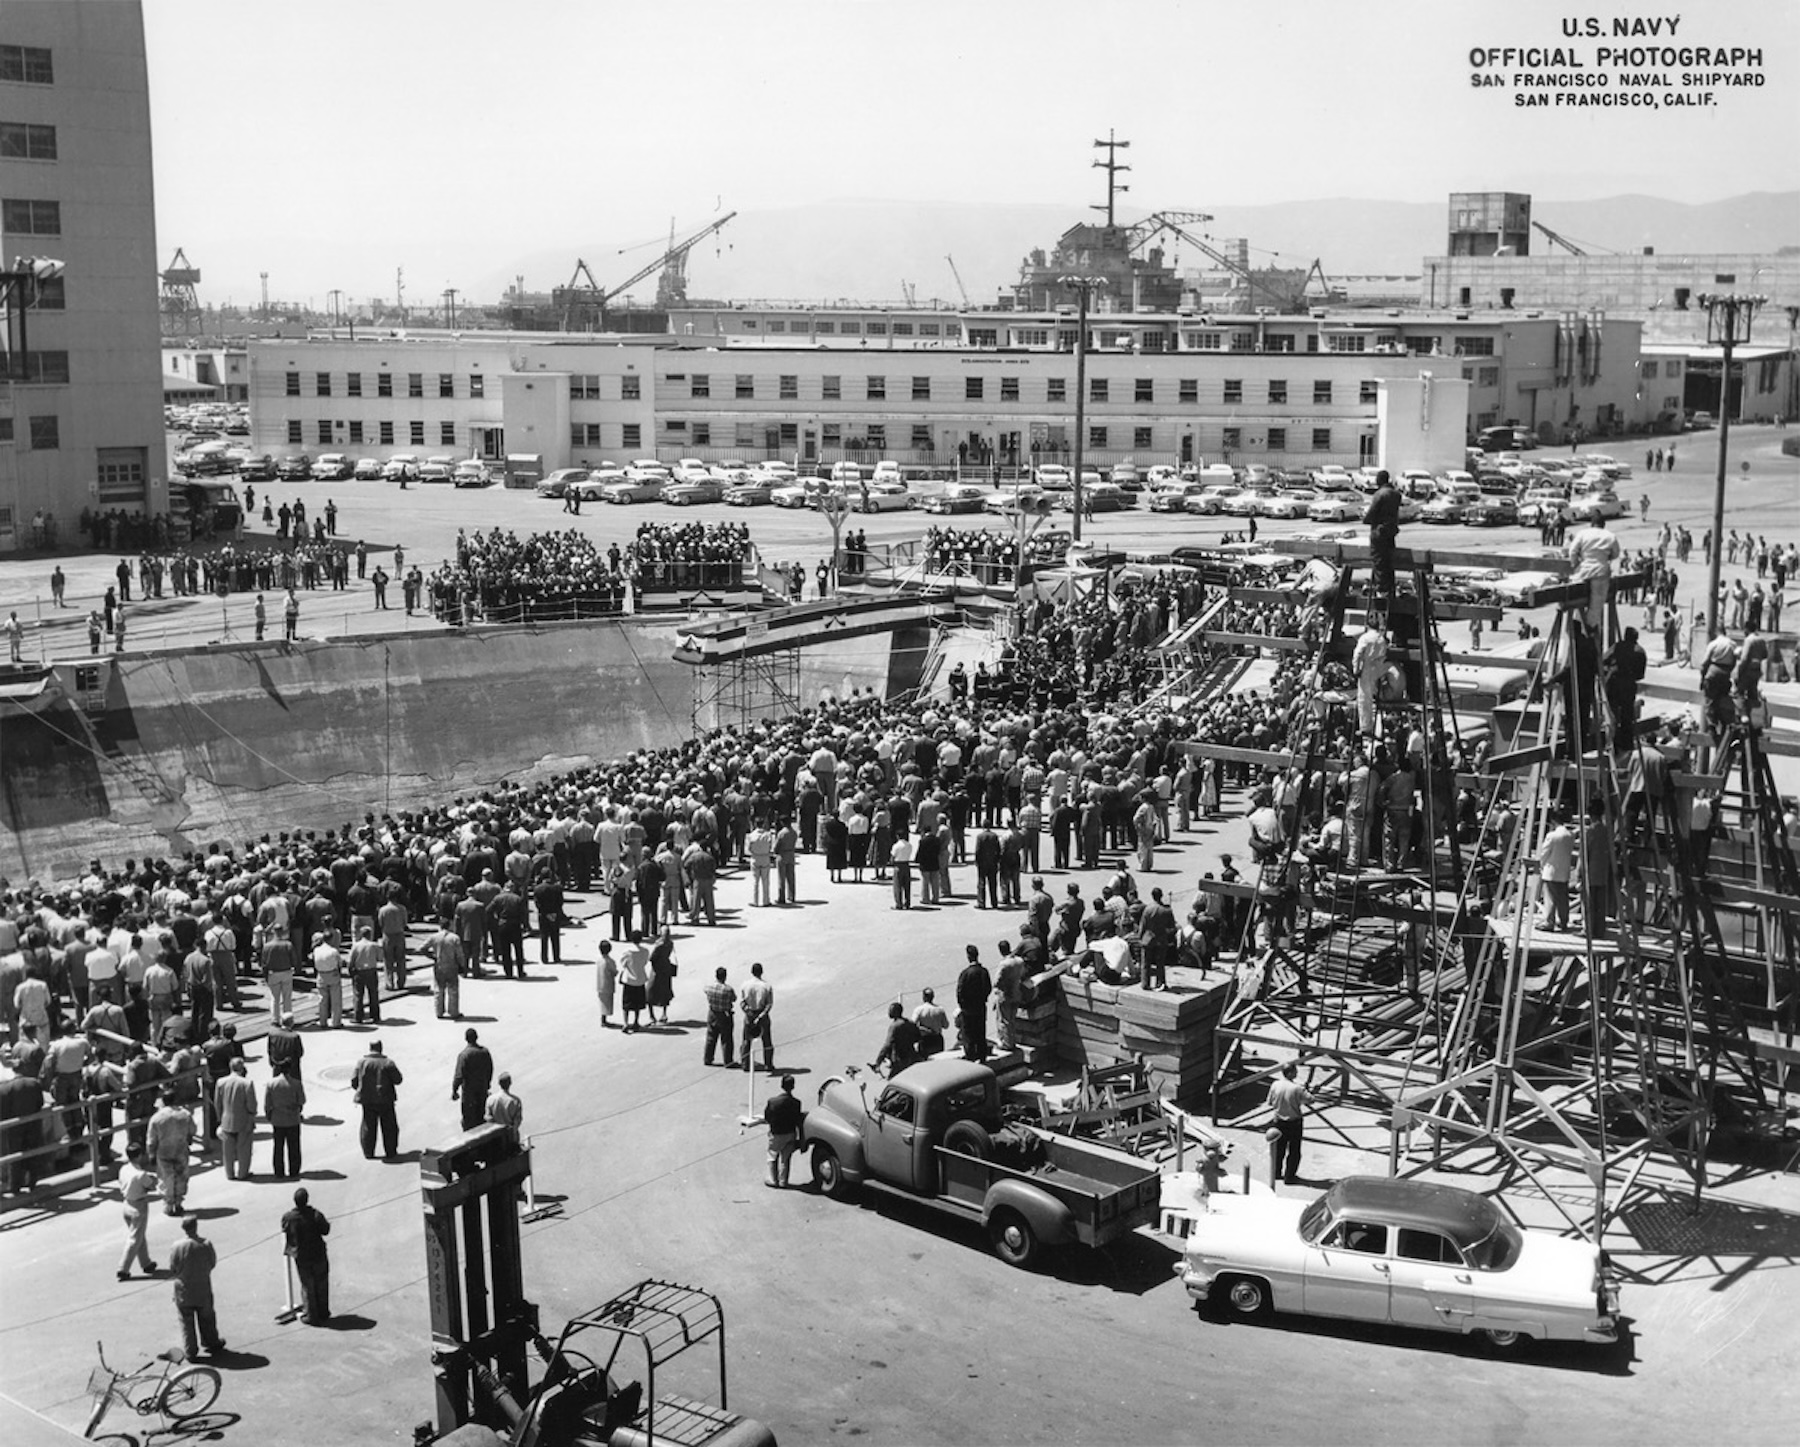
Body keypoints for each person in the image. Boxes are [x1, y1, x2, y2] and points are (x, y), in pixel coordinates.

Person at [168, 1215, 225, 1359]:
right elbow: (212, 1263)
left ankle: (190, 1350)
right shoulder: (205, 1244)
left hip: (183, 1289)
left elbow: (172, 1267)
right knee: (207, 1317)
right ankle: (211, 1342)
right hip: (202, 1287)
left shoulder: (176, 1246)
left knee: (186, 1321)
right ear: (196, 1226)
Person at [281, 1186, 332, 1326]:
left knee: (307, 1286)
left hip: (302, 1257)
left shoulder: (288, 1217)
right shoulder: (316, 1215)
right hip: (318, 1254)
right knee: (321, 1283)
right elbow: (326, 1230)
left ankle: (311, 1315)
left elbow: (284, 1228)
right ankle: (323, 1312)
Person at [350, 1040, 403, 1160]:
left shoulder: (361, 1063)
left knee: (368, 1126)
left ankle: (368, 1152)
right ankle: (390, 1152)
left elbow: (354, 1081)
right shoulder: (388, 1063)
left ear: (370, 1048)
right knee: (389, 1127)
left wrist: (363, 1089)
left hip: (367, 1100)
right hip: (386, 1099)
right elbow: (398, 1080)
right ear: (381, 1048)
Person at [146, 1089, 196, 1215]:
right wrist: (188, 1139)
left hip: (164, 1152)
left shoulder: (157, 1118)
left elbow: (151, 1139)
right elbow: (192, 1130)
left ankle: (168, 1205)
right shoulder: (185, 1114)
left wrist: (151, 1153)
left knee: (166, 1177)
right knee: (181, 1176)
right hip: (180, 1150)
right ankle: (178, 1203)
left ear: (163, 1101)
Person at [116, 1142, 159, 1281]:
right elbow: (152, 1186)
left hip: (126, 1204)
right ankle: (123, 1268)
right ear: (139, 1156)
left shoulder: (124, 1169)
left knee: (139, 1235)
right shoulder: (140, 1174)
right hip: (138, 1206)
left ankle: (146, 1263)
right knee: (135, 1238)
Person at [1266, 1061, 1310, 1187]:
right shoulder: (1297, 1088)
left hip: (1278, 1122)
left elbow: (1269, 1102)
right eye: (1295, 1071)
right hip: (1294, 1123)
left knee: (1279, 1149)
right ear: (1290, 1073)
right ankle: (1289, 1177)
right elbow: (1311, 1099)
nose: (1297, 1072)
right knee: (1294, 1150)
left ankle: (1276, 1173)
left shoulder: (1275, 1084)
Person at [214, 1058, 257, 1181]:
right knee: (244, 1148)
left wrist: (219, 1117)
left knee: (227, 1150)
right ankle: (243, 1173)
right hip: (243, 1120)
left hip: (226, 1119)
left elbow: (217, 1102)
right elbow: (251, 1104)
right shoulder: (247, 1083)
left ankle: (230, 1173)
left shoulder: (221, 1082)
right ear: (242, 1068)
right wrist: (252, 1116)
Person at [265, 1060, 306, 1180]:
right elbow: (302, 1101)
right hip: (293, 1119)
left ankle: (279, 1171)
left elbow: (267, 1104)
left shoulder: (271, 1084)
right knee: (294, 1146)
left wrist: (269, 1116)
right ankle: (294, 1170)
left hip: (278, 1120)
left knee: (278, 1147)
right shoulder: (296, 1084)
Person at [762, 1073, 804, 1189]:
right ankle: (783, 1181)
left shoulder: (773, 1102)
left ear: (782, 1086)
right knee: (785, 1158)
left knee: (772, 1155)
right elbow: (797, 1119)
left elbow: (767, 1118)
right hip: (790, 1133)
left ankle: (773, 1179)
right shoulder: (796, 1103)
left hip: (777, 1133)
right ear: (793, 1086)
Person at [452, 1027, 493, 1132]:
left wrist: (454, 1090)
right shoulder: (484, 1052)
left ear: (466, 1039)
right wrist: (487, 1084)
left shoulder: (464, 1055)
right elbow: (490, 1069)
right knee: (480, 1118)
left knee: (469, 1121)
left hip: (469, 1095)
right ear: (477, 1037)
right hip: (482, 1091)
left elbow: (459, 1076)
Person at [956, 945, 992, 1062]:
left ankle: (970, 1057)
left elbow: (960, 991)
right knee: (981, 1032)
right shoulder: (983, 971)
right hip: (980, 1007)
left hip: (968, 1009)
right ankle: (982, 1056)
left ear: (968, 956)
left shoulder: (965, 974)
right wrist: (983, 999)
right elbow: (988, 988)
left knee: (968, 1034)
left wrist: (963, 1005)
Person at [740, 962, 775, 1074]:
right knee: (767, 1040)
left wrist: (748, 1012)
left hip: (749, 1014)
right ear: (761, 972)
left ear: (752, 972)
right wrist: (761, 1016)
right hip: (762, 1014)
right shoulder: (766, 986)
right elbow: (769, 1004)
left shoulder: (745, 985)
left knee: (746, 1040)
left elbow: (742, 1002)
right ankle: (768, 1065)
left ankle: (745, 1064)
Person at [874, 1001, 920, 1076]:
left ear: (895, 1012)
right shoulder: (911, 1023)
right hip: (911, 1057)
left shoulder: (894, 1026)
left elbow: (887, 1045)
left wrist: (878, 1061)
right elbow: (918, 1038)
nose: (889, 1012)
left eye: (890, 1010)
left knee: (893, 1082)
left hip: (899, 1059)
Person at [703, 966, 737, 1067]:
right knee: (726, 1038)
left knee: (711, 1037)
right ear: (725, 977)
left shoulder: (709, 987)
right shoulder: (728, 989)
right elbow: (734, 998)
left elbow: (705, 990)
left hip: (713, 1013)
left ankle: (708, 1058)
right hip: (725, 1014)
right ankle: (728, 1061)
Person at [617, 931, 650, 1032]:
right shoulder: (645, 951)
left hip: (629, 979)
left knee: (626, 1003)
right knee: (638, 1003)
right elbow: (645, 962)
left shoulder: (627, 952)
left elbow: (623, 963)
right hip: (640, 979)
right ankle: (636, 1021)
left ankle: (626, 1022)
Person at [485, 1072, 523, 1142]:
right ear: (510, 1083)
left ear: (499, 1083)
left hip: (496, 1138)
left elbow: (488, 1119)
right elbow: (517, 1121)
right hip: (511, 1138)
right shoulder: (515, 1101)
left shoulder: (490, 1099)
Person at [912, 989, 948, 1057]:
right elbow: (946, 1025)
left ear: (923, 997)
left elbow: (913, 1025)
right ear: (933, 997)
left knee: (925, 1062)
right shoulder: (940, 1009)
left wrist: (924, 1029)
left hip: (925, 1040)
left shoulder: (919, 1010)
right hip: (937, 1039)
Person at [595, 940, 617, 1028]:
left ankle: (603, 1019)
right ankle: (604, 1020)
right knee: (607, 1003)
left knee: (602, 1002)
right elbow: (614, 972)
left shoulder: (599, 960)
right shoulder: (610, 961)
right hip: (608, 984)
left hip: (600, 984)